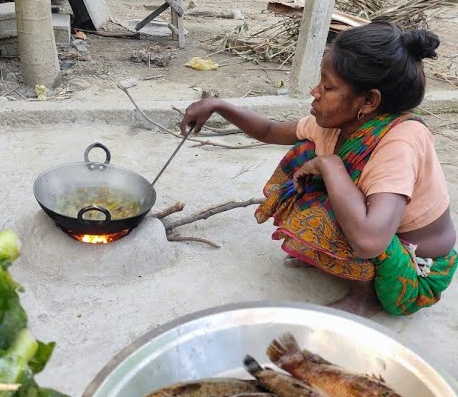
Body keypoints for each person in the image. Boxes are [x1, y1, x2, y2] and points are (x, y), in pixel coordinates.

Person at [182, 23, 453, 317]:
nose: (315, 92)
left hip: (415, 270)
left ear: (369, 101)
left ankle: (366, 297)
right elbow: (270, 130)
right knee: (306, 153)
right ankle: (341, 261)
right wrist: (218, 105)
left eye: (328, 87)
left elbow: (370, 240)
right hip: (377, 231)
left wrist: (329, 163)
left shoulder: (399, 142)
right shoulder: (337, 124)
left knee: (327, 175)